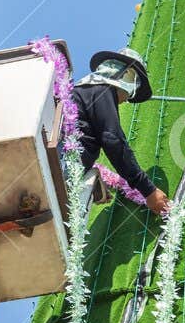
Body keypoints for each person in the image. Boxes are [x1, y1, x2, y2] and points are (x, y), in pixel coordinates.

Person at [71, 47, 170, 216]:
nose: (127, 100)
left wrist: (92, 184)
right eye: (134, 87)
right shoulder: (101, 90)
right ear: (125, 75)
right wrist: (149, 190)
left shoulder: (83, 92)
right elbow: (112, 140)